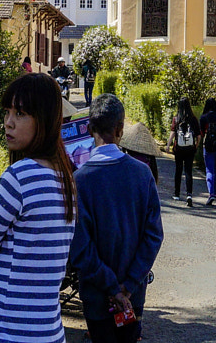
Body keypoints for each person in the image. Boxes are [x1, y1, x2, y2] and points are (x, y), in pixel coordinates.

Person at [0, 72, 77, 343]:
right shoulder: (66, 178)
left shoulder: (19, 176)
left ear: (43, 119)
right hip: (49, 331)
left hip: (5, 328)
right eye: (7, 112)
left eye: (20, 114)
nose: (8, 123)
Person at [69, 95, 164, 342]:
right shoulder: (142, 174)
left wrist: (112, 288)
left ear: (89, 129)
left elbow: (80, 248)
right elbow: (153, 236)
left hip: (97, 298)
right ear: (121, 129)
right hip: (133, 298)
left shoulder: (79, 181)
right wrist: (127, 287)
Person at [170, 98, 200, 203]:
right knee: (188, 171)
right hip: (190, 149)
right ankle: (189, 194)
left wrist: (168, 144)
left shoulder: (176, 118)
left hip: (178, 148)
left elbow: (173, 133)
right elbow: (198, 136)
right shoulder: (193, 119)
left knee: (178, 171)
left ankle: (177, 194)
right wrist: (196, 146)